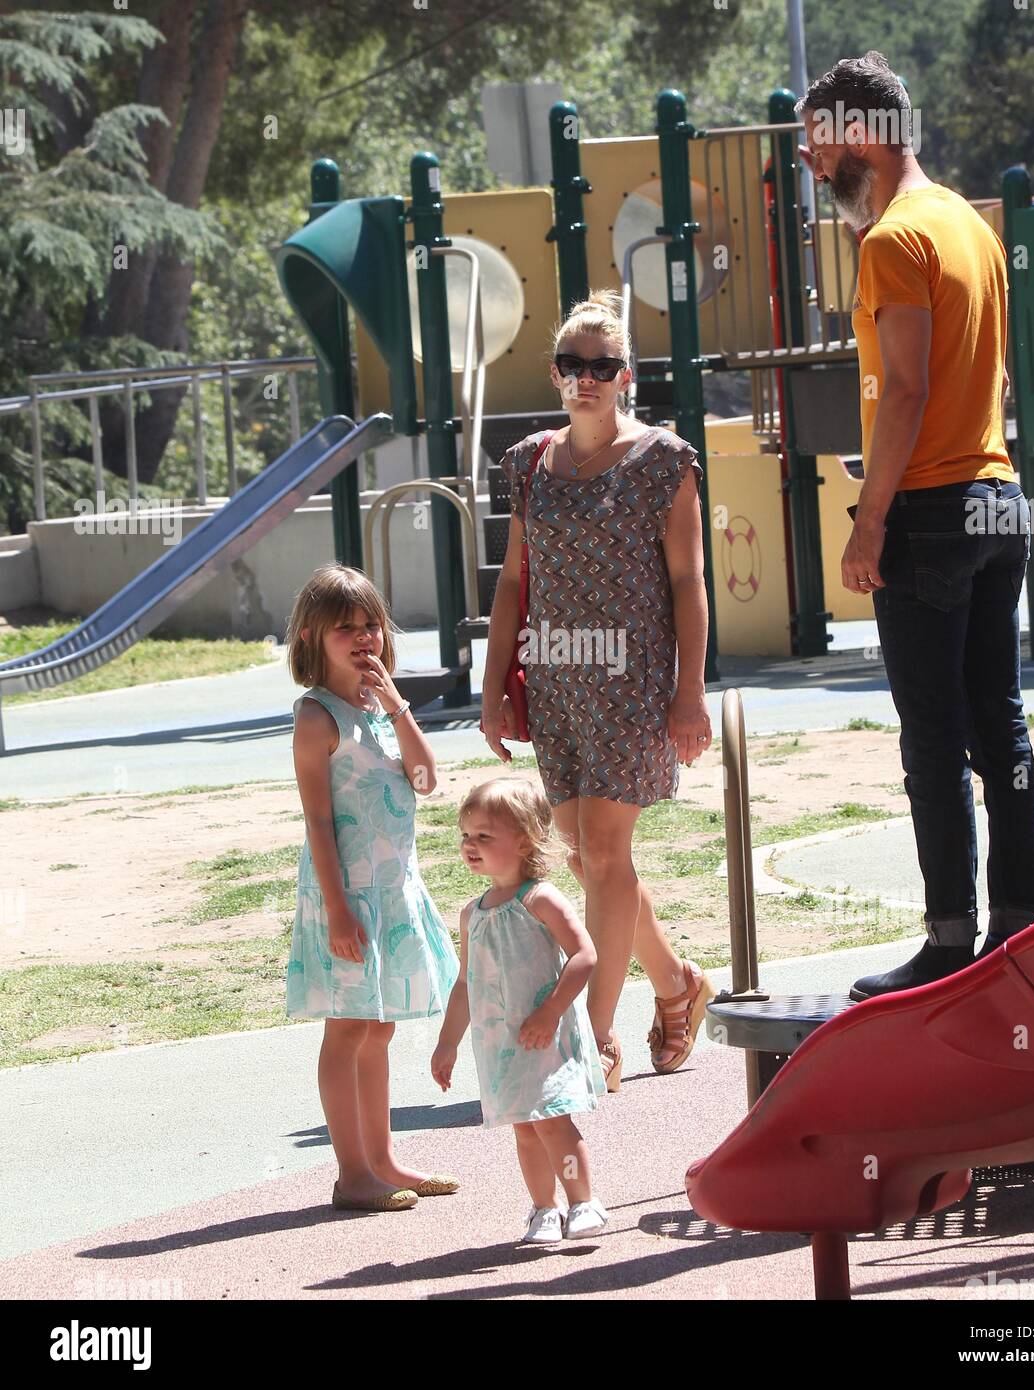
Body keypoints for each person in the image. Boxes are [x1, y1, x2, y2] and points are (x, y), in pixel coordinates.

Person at [797, 52, 1034, 1000]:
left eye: (817, 145)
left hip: (931, 512)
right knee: (1001, 726)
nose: (814, 169)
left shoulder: (893, 239)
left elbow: (902, 392)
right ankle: (1020, 924)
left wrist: (868, 525)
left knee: (934, 741)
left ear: (860, 131)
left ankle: (948, 943)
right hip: (996, 500)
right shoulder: (968, 225)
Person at [480, 288, 715, 1089]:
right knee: (584, 859)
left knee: (606, 853)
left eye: (601, 366)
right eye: (571, 366)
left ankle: (597, 1035)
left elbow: (687, 580)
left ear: (624, 375)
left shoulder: (662, 460)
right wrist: (492, 685)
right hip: (555, 679)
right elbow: (513, 580)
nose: (585, 379)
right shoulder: (526, 464)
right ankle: (676, 983)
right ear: (554, 373)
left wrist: (690, 694)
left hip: (634, 681)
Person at [285, 563, 460, 1210]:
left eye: (371, 626)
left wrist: (398, 705)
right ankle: (351, 1173)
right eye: (345, 629)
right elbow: (319, 821)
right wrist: (336, 908)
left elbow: (425, 780)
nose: (363, 638)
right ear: (310, 637)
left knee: (380, 1026)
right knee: (349, 1027)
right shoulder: (316, 718)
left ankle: (383, 1158)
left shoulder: (379, 707)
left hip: (392, 888)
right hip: (348, 895)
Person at [431, 779, 608, 1245]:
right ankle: (544, 1209)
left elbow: (585, 954)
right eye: (466, 835)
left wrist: (551, 1011)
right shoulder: (473, 913)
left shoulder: (541, 898)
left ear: (525, 839)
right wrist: (447, 1042)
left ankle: (582, 1200)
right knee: (526, 1128)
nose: (470, 845)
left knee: (553, 1121)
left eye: (484, 836)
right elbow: (466, 983)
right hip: (502, 1044)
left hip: (544, 1036)